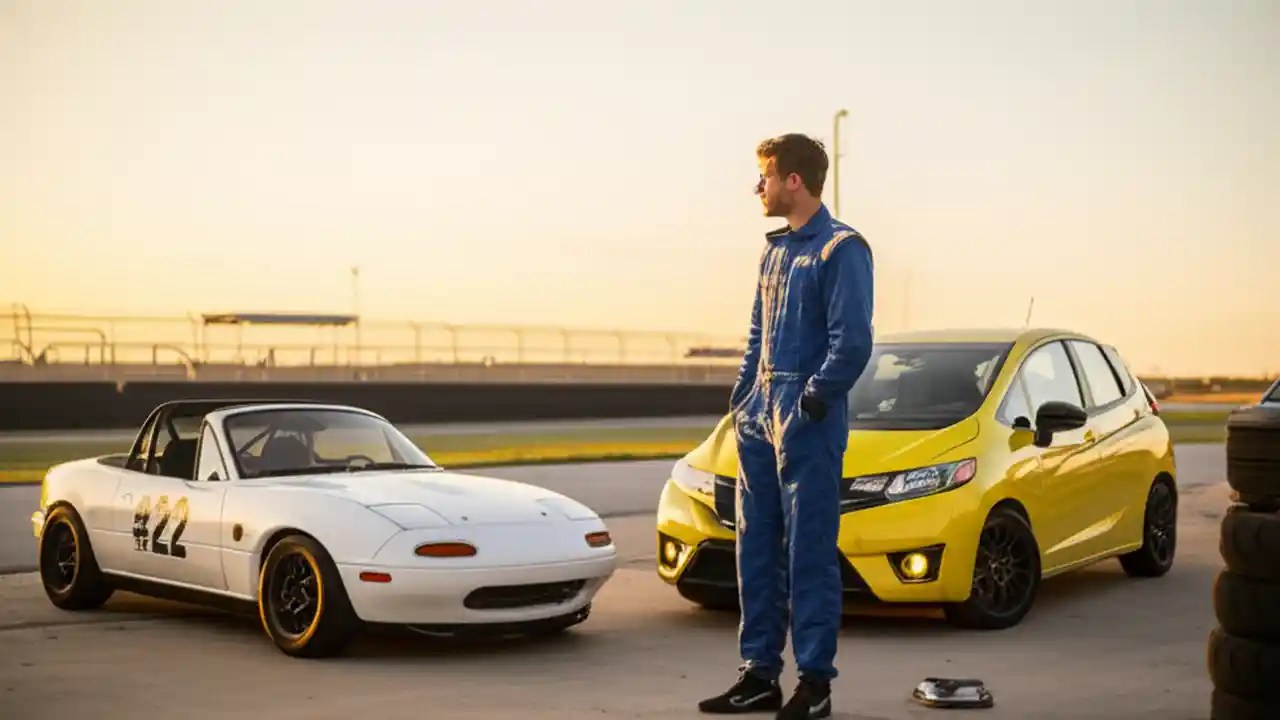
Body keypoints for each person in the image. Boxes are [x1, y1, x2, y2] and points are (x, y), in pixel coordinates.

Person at [699, 133, 874, 719]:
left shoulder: (841, 249)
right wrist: (742, 401)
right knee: (754, 547)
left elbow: (851, 344)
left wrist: (811, 403)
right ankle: (759, 674)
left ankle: (815, 685)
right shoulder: (773, 253)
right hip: (759, 415)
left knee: (809, 552)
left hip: (807, 417)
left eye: (766, 177)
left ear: (793, 181)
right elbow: (757, 336)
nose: (759, 187)